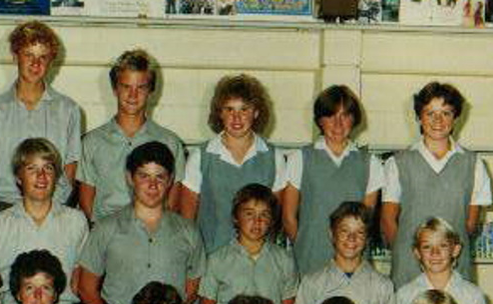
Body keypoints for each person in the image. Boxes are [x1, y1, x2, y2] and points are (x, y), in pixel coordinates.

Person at [77, 141, 206, 304]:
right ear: (130, 178)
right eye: (144, 176)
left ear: (171, 180)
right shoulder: (106, 228)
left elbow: (193, 285)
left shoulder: (188, 231)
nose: (152, 185)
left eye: (160, 177)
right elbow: (86, 286)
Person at [380, 81, 492, 287]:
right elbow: (388, 221)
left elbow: (469, 225)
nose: (438, 120)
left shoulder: (473, 163)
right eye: (430, 113)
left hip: (454, 270)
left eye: (446, 113)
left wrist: (444, 255)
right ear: (419, 117)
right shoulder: (397, 163)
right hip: (409, 269)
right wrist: (409, 255)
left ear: (455, 117)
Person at [177, 73, 287, 256]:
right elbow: (187, 221)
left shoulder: (274, 157)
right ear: (220, 113)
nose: (237, 118)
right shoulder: (200, 157)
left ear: (256, 112)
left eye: (244, 109)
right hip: (210, 262)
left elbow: (275, 220)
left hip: (258, 263)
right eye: (229, 109)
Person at [282, 85, 385, 276]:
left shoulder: (370, 163)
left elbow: (366, 222)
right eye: (331, 116)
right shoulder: (300, 158)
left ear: (354, 119)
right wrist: (307, 246)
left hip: (354, 263)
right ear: (320, 120)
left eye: (345, 115)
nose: (338, 124)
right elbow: (288, 217)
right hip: (309, 260)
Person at [0, 138, 89, 304]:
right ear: (18, 177)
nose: (41, 176)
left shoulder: (76, 221)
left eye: (48, 168)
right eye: (32, 169)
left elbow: (79, 280)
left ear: (56, 176)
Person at [0, 20, 82, 210]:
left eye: (43, 57)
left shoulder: (68, 110)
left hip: (53, 206)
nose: (36, 63)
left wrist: (60, 205)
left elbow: (70, 165)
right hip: (6, 205)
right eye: (29, 55)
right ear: (15, 55)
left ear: (51, 60)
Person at [78, 49, 186, 223]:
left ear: (151, 91)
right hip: (107, 235)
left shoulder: (169, 142)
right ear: (115, 89)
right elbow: (86, 202)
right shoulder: (92, 141)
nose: (133, 95)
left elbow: (172, 203)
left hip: (152, 234)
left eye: (141, 87)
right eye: (126, 87)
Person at [198, 184, 297, 304]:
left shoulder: (284, 260)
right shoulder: (217, 260)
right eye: (249, 214)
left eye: (264, 215)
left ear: (272, 220)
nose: (257, 221)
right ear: (236, 217)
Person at [291, 202, 394, 304]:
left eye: (359, 233)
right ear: (332, 234)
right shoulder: (312, 282)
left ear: (367, 239)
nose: (351, 238)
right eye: (344, 231)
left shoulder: (383, 284)